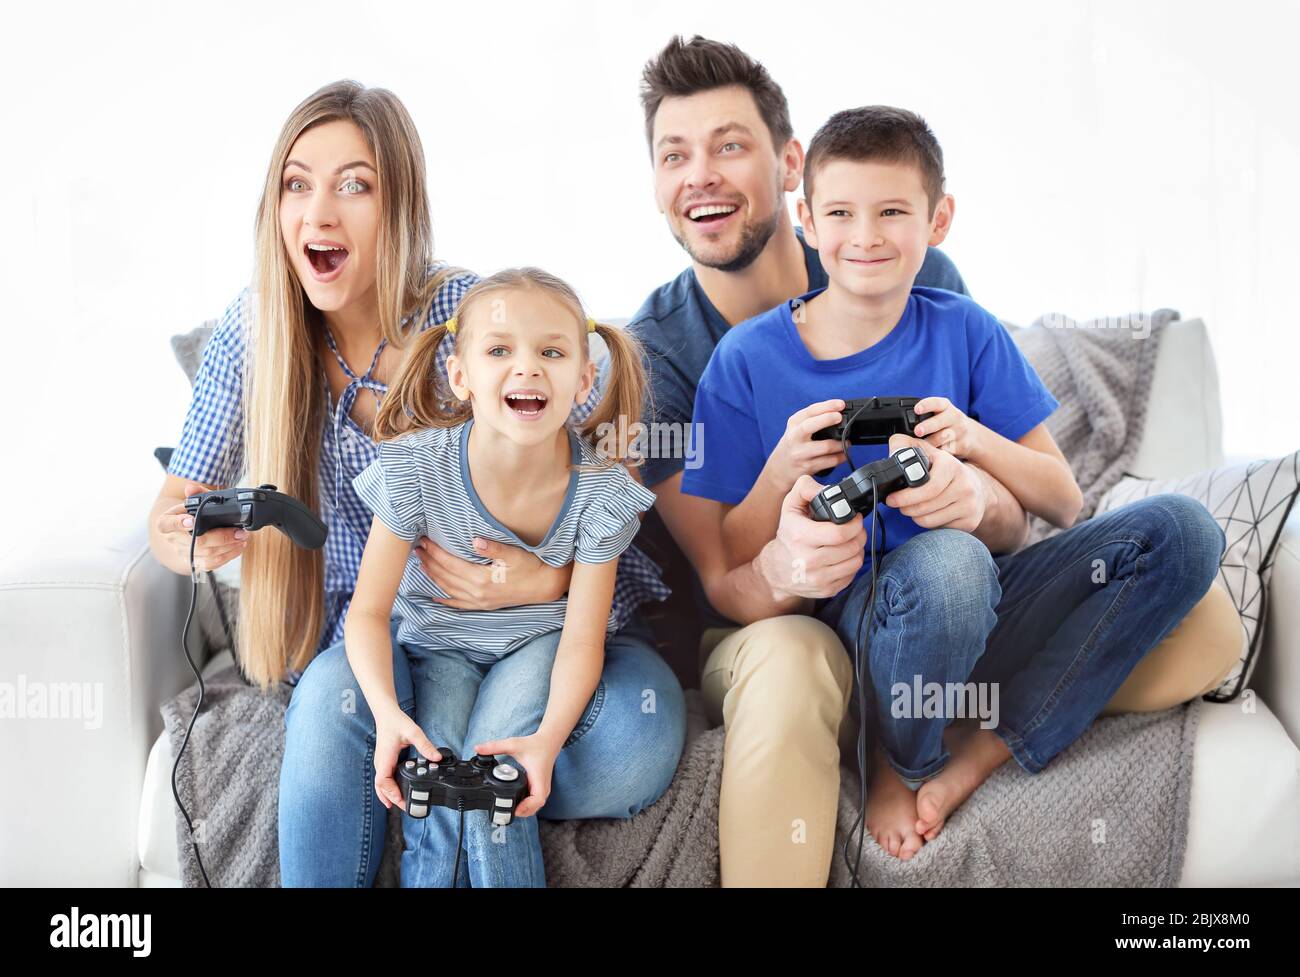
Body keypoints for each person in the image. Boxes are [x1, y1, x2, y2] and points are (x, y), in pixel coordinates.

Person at [627, 35, 1238, 885]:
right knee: (923, 582)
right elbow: (727, 577)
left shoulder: (932, 295)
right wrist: (787, 533)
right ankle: (902, 754)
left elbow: (1042, 509)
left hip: (961, 597)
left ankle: (980, 736)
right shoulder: (679, 361)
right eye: (674, 155)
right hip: (801, 621)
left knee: (1195, 582)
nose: (702, 175)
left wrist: (976, 482)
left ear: (785, 166)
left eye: (729, 145)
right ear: (813, 212)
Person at [148, 80, 679, 887]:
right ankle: (447, 777)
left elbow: (607, 413)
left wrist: (549, 573)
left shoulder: (475, 316)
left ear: (398, 206)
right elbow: (170, 513)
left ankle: (461, 785)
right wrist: (189, 534)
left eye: (354, 184)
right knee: (331, 713)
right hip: (385, 644)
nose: (319, 213)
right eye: (298, 184)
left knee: (631, 744)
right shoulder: (254, 332)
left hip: (548, 628)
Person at [345, 267, 682, 887]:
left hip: (539, 644)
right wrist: (387, 712)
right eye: (499, 350)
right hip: (438, 646)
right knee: (435, 777)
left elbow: (582, 639)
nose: (527, 368)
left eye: (551, 352)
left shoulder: (604, 492)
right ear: (460, 375)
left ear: (584, 380)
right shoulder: (416, 468)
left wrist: (549, 741)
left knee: (495, 769)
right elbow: (367, 612)